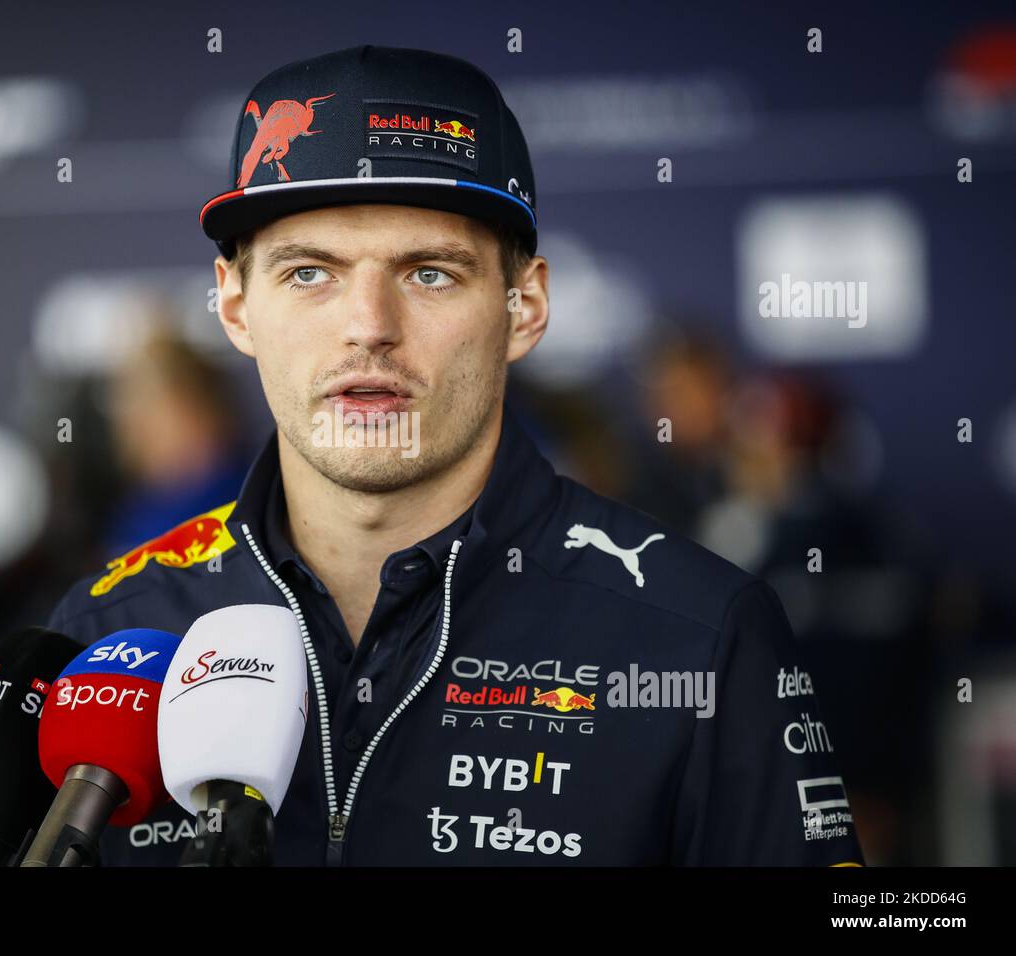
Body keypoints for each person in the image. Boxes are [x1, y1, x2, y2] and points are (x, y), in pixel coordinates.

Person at [47, 45, 864, 866]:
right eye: (308, 274)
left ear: (526, 307)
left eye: (431, 273)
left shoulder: (702, 634)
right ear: (234, 306)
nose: (368, 325)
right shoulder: (106, 633)